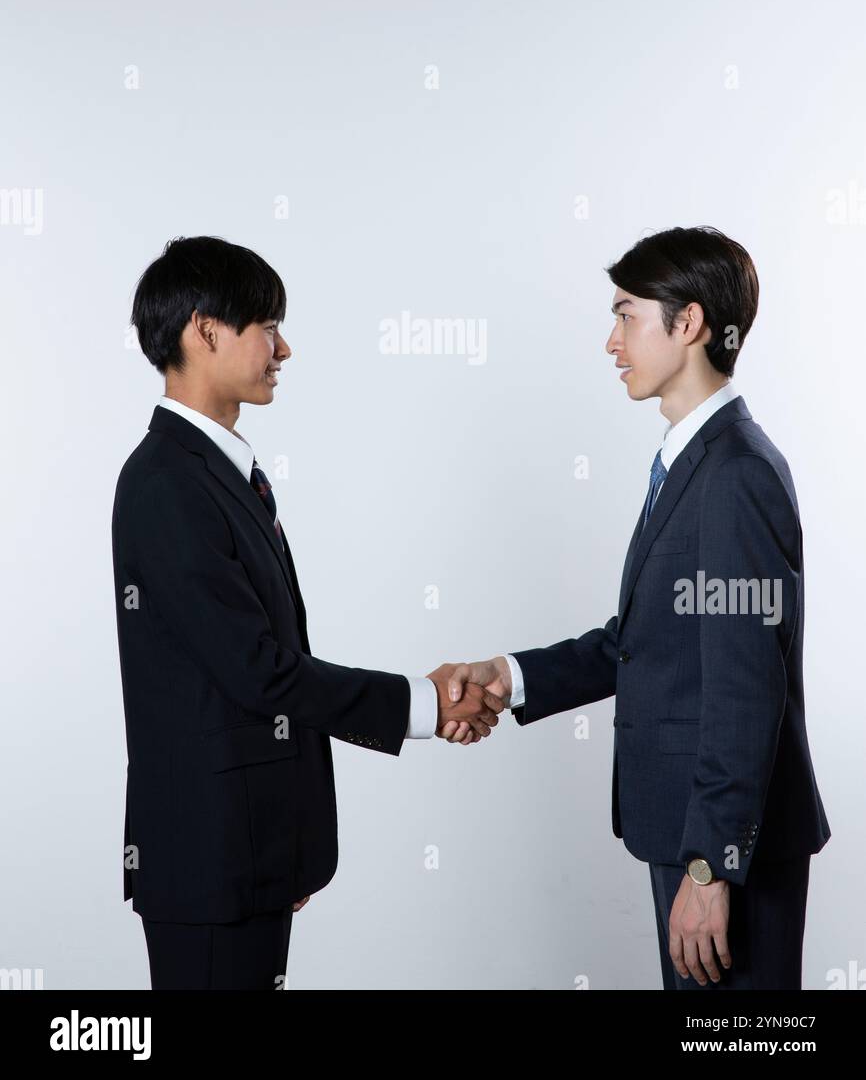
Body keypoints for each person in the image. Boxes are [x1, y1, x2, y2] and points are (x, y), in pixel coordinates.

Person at [441, 225, 831, 990]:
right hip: (693, 831)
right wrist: (509, 676)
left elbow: (746, 686)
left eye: (625, 315)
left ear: (687, 324)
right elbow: (648, 640)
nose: (610, 341)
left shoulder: (735, 475)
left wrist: (709, 867)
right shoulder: (693, 462)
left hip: (723, 848)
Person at [112, 234, 503, 990]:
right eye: (266, 325)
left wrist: (286, 842)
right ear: (205, 331)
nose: (283, 347)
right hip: (210, 860)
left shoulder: (221, 473)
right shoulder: (167, 482)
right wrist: (422, 702)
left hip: (251, 852)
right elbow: (257, 671)